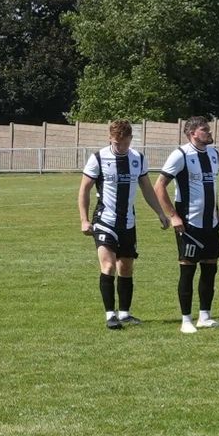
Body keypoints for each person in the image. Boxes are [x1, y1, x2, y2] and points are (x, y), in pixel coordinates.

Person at [150, 115, 219, 333]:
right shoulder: (180, 155)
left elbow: (210, 186)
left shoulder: (213, 154)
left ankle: (205, 316)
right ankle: (186, 320)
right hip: (189, 224)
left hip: (211, 223)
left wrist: (217, 211)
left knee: (210, 268)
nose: (209, 132)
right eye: (205, 130)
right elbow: (159, 186)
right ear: (192, 133)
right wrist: (173, 216)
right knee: (188, 270)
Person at [79, 120, 156, 329]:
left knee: (127, 267)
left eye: (125, 143)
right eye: (116, 143)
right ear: (110, 139)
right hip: (105, 221)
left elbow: (147, 188)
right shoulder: (98, 158)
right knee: (109, 266)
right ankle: (110, 315)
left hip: (128, 222)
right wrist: (84, 220)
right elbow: (84, 189)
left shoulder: (138, 158)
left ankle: (124, 314)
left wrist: (161, 213)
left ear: (131, 139)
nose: (121, 147)